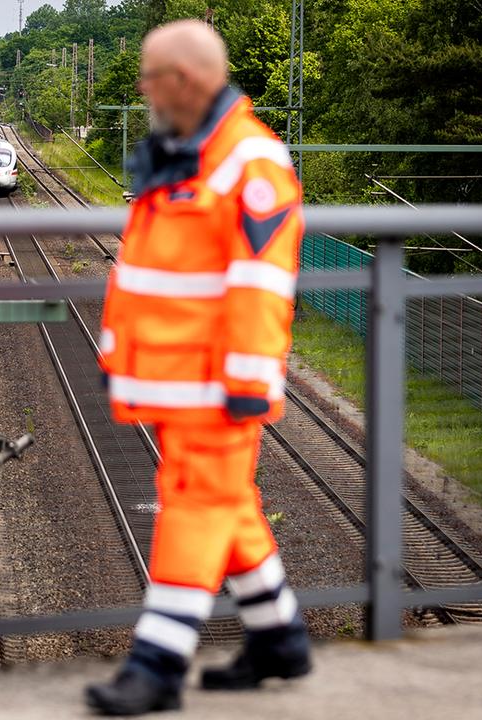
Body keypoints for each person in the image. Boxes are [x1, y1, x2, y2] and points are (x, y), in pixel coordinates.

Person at [86, 20, 312, 716]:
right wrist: (120, 354)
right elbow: (150, 275)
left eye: (150, 78)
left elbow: (260, 283)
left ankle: (157, 665)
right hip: (176, 376)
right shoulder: (185, 156)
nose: (143, 90)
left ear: (183, 81)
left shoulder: (249, 162)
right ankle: (280, 640)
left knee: (194, 504)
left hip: (217, 382)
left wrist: (247, 381)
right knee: (228, 502)